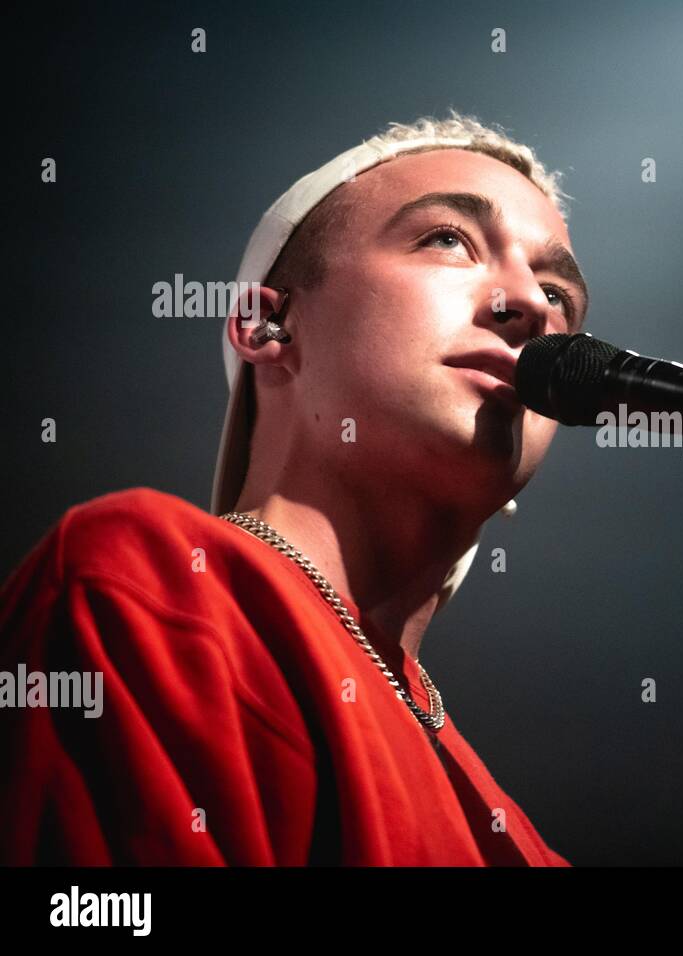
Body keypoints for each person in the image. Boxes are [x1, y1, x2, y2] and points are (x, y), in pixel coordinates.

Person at [0, 111, 585, 865]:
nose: (533, 307)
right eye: (448, 240)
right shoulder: (144, 590)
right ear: (265, 326)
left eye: (558, 294)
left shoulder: (529, 845)